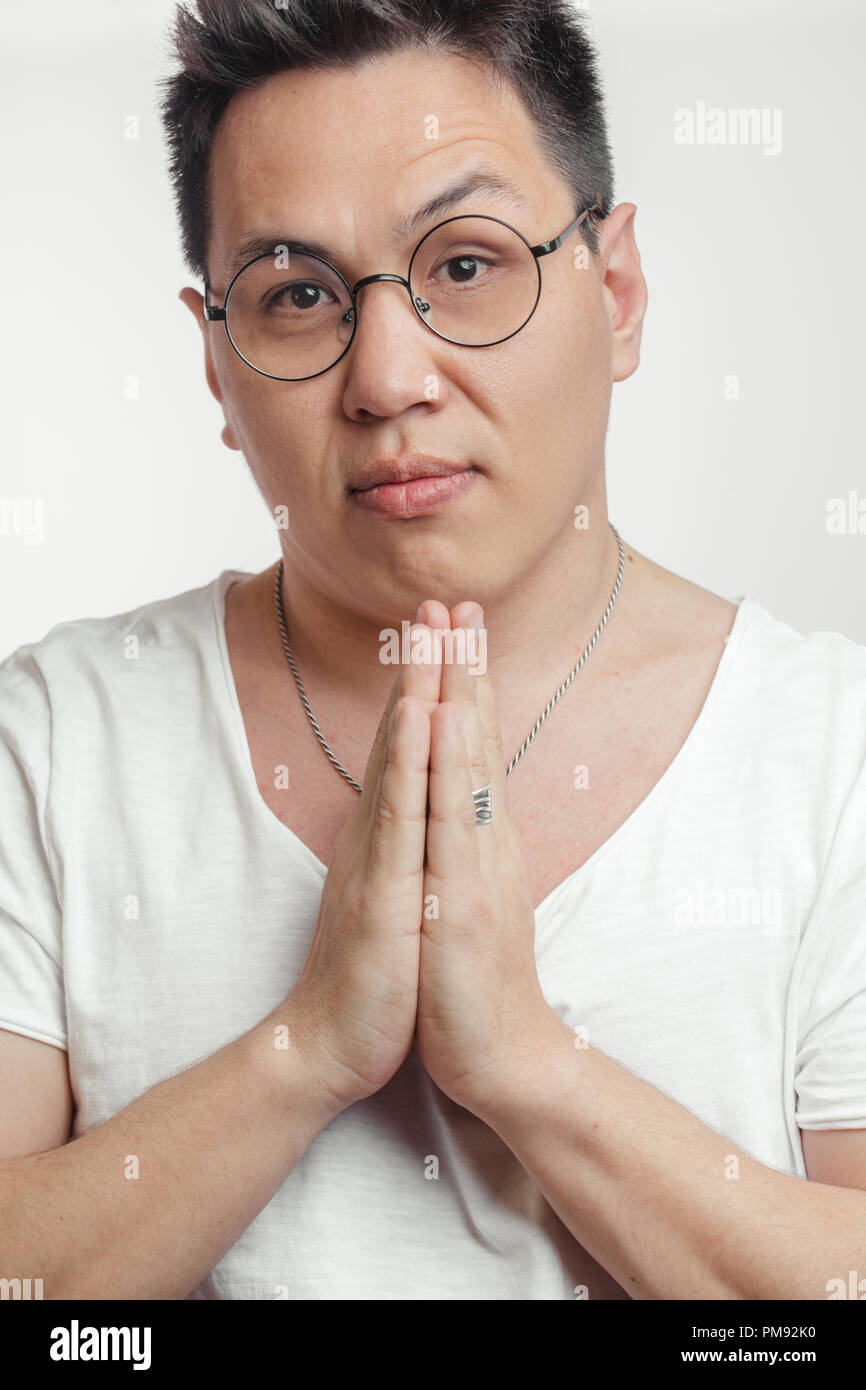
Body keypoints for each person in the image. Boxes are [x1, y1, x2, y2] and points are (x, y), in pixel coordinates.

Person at [1, 0, 865, 1302]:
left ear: (615, 292)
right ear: (216, 366)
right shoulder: (57, 735)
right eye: (298, 294)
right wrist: (302, 1052)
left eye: (463, 263)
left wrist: (528, 1065)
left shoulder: (831, 753)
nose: (389, 376)